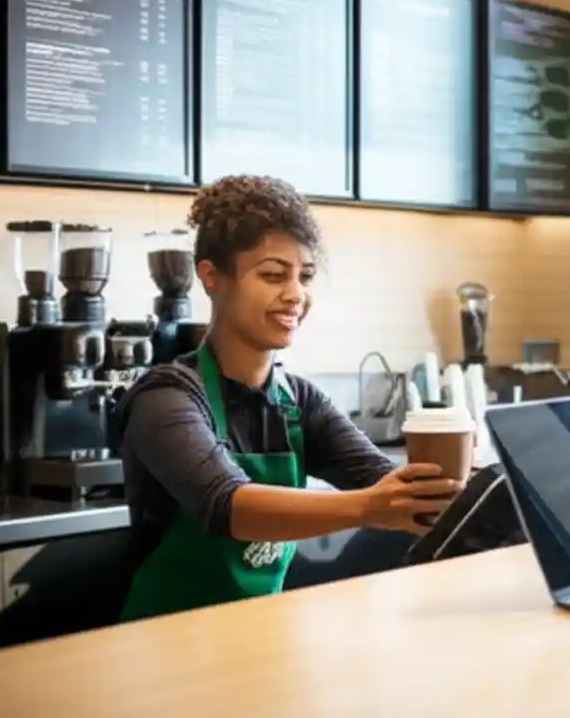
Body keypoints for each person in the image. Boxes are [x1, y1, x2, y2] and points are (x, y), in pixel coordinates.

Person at [113, 175, 460, 621]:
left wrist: (467, 492)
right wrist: (370, 508)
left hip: (261, 638)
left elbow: (380, 479)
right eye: (274, 275)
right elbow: (229, 506)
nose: (295, 294)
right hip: (163, 650)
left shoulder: (299, 401)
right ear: (211, 277)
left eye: (305, 276)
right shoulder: (165, 398)